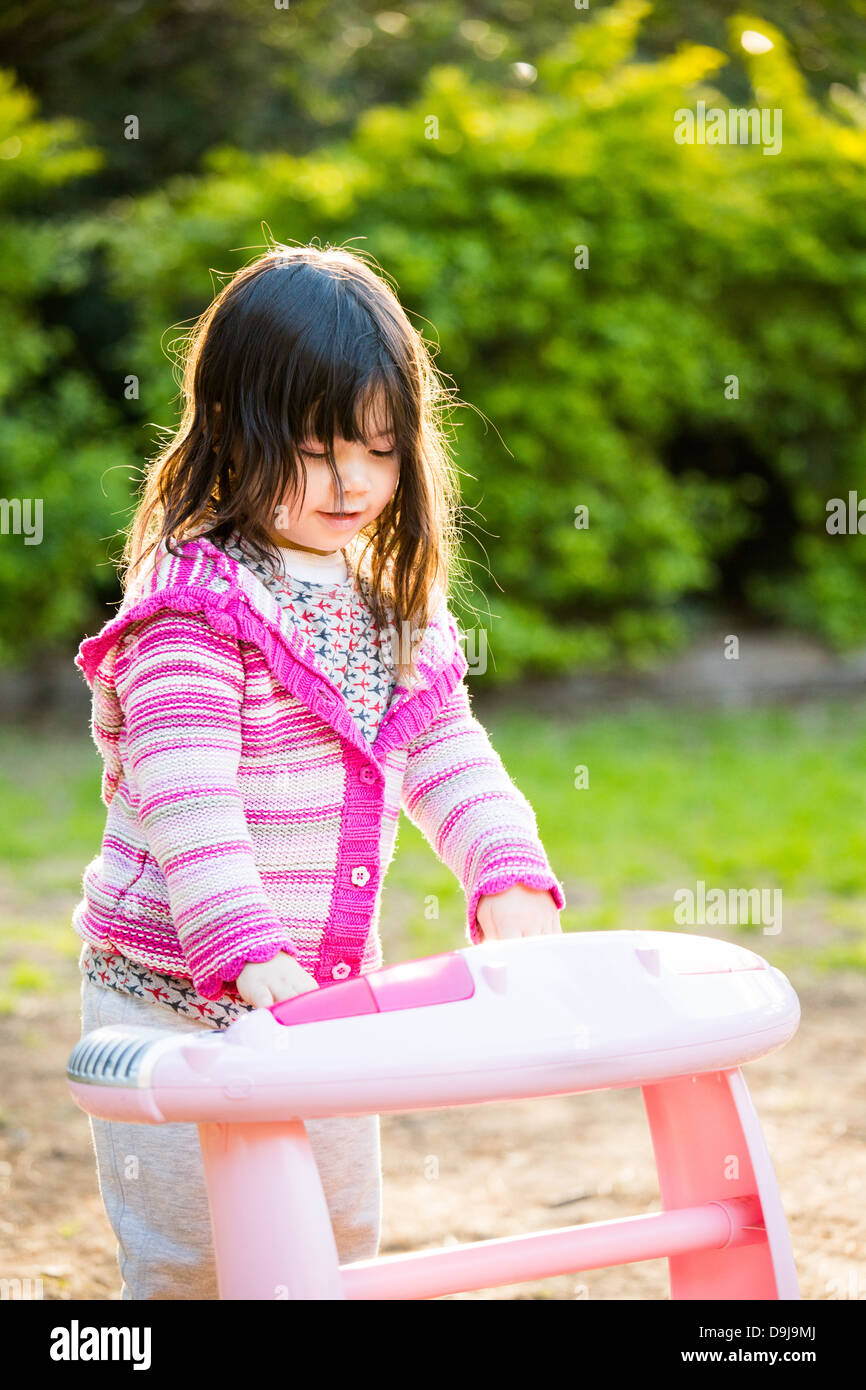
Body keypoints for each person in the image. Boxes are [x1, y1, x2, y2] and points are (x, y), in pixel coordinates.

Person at [72, 242, 566, 1299]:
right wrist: (249, 955)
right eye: (314, 448)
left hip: (328, 1007)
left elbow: (446, 751)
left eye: (381, 451)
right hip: (176, 1000)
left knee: (332, 1246)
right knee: (191, 1261)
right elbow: (186, 800)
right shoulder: (193, 607)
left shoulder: (386, 605)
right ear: (233, 435)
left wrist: (508, 876)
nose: (352, 482)